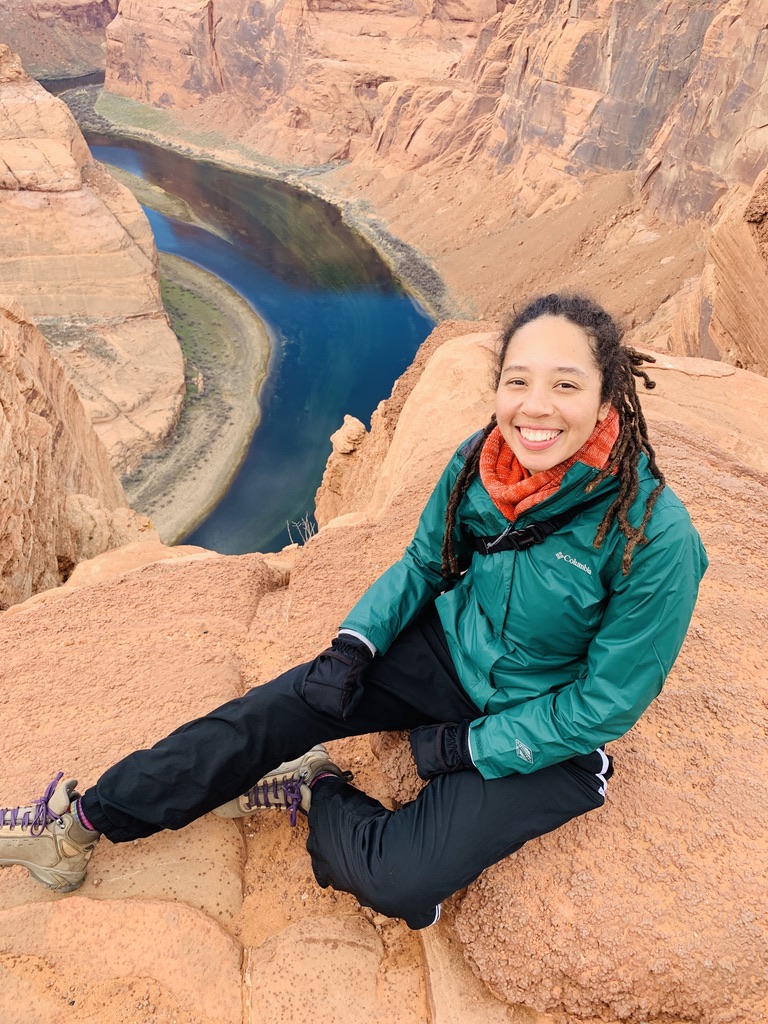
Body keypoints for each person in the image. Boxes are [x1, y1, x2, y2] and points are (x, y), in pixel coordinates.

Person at [0, 293, 707, 930]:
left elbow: (606, 703)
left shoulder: (653, 534)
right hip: (451, 653)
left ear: (609, 392)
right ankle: (84, 820)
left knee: (402, 882)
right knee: (272, 710)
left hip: (545, 720)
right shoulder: (480, 463)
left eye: (565, 384)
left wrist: (468, 749)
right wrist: (355, 645)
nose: (535, 406)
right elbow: (426, 565)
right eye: (517, 381)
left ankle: (319, 789)